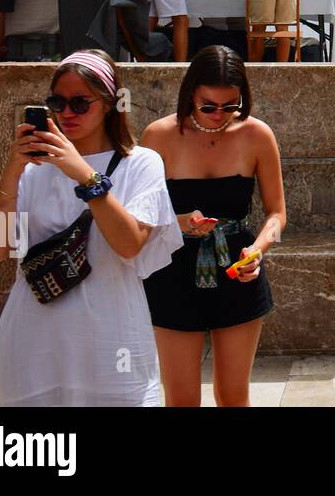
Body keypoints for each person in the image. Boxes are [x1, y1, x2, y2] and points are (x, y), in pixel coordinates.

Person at [0, 50, 183, 405]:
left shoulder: (142, 164)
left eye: (80, 102)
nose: (66, 113)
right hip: (32, 342)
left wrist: (85, 175)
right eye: (57, 103)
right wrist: (13, 168)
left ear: (108, 103)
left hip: (112, 342)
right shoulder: (32, 170)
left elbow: (129, 244)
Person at [141, 46, 286, 407]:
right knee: (182, 399)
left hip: (236, 266)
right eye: (208, 106)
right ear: (190, 93)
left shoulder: (257, 135)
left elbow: (277, 213)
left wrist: (257, 250)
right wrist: (179, 222)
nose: (218, 115)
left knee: (234, 395)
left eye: (230, 106)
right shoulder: (158, 136)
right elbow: (140, 217)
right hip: (173, 269)